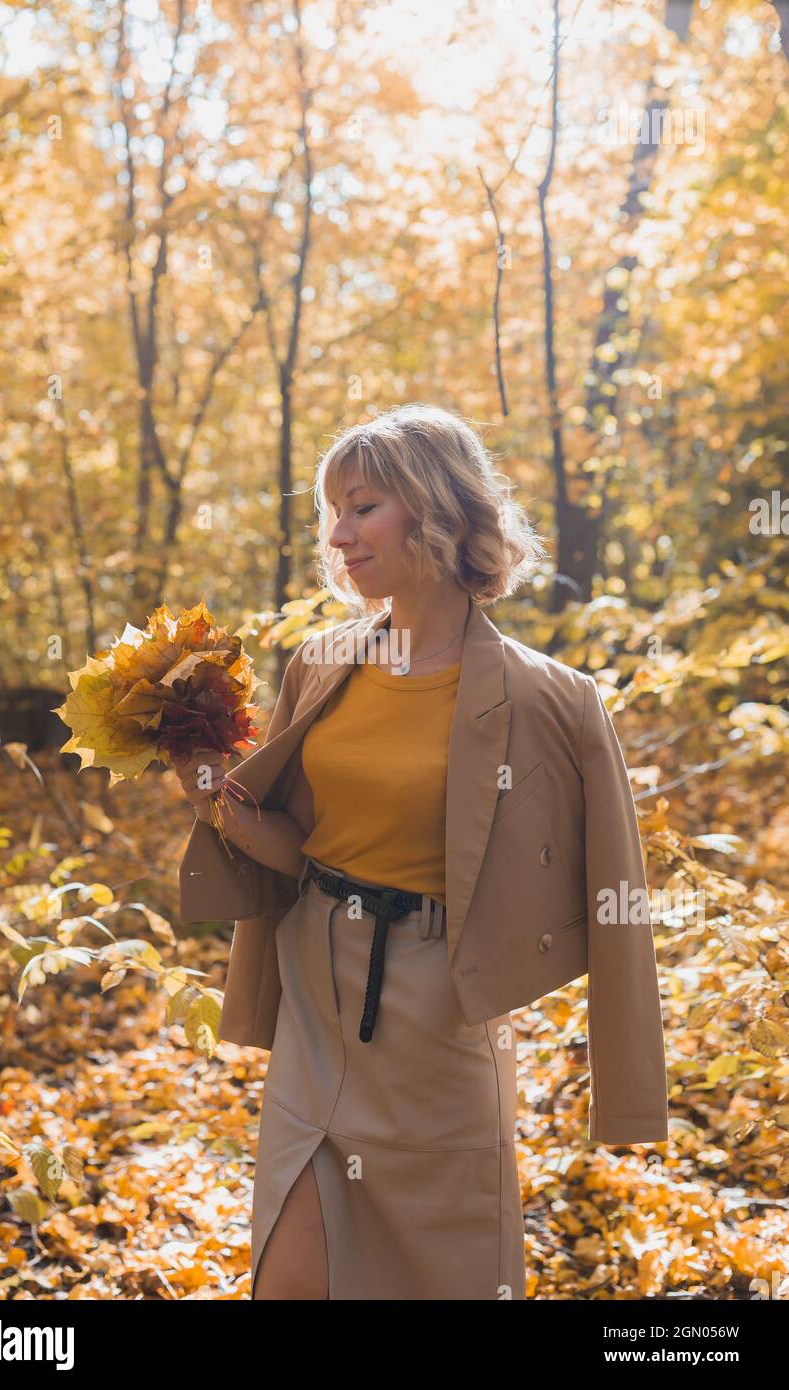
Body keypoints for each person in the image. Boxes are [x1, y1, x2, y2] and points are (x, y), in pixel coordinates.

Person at [174, 403, 669, 1300]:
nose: (338, 535)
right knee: (288, 1274)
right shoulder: (320, 665)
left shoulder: (552, 700)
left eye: (362, 506)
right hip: (316, 1001)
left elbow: (619, 902)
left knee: (441, 1277)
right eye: (332, 512)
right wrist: (209, 791)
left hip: (440, 1021)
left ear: (435, 509)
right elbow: (301, 847)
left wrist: (627, 1093)